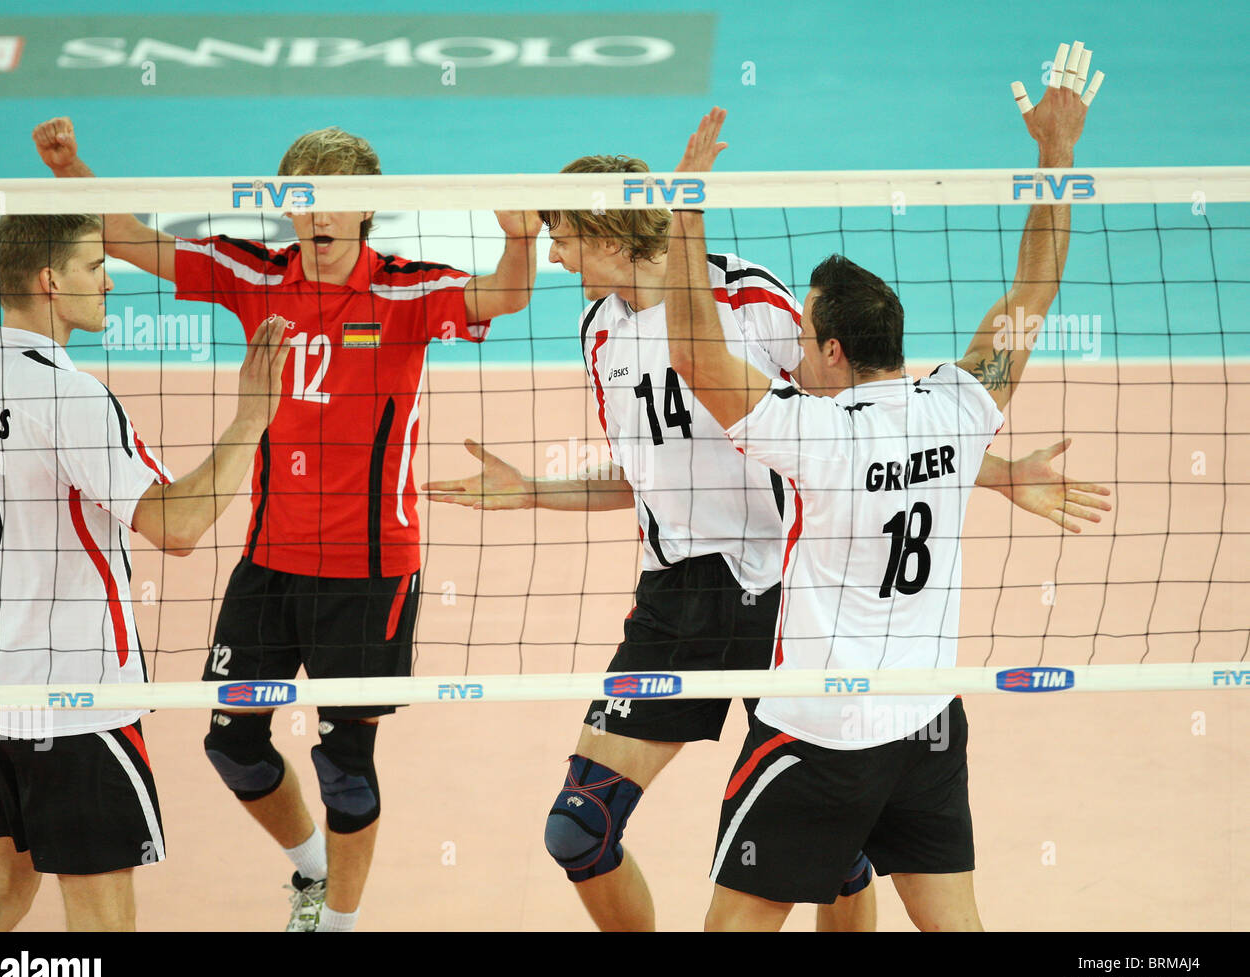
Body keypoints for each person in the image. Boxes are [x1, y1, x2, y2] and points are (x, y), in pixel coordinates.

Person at [422, 127, 1109, 929]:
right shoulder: (598, 331)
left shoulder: (750, 302)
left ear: (608, 234)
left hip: (790, 593)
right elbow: (850, 433)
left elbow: (842, 426)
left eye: (564, 237)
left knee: (840, 852)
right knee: (579, 828)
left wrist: (985, 473)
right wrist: (534, 491)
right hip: (680, 600)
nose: (555, 257)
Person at [33, 117, 540, 931]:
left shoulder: (405, 289)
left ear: (368, 210)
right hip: (269, 562)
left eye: (337, 204)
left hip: (372, 568)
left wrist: (519, 243)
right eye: (306, 204)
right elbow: (128, 238)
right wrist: (73, 169)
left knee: (345, 766)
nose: (321, 218)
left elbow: (507, 296)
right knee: (231, 743)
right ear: (289, 211)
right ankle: (312, 869)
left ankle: (337, 921)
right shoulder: (253, 271)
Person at [662, 48, 1101, 931]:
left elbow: (697, 359)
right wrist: (1057, 158)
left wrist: (683, 212)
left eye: (803, 337)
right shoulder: (957, 406)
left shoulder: (816, 432)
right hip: (928, 724)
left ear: (832, 353)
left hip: (819, 736)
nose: (789, 353)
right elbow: (1033, 293)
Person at [0, 213, 289, 931]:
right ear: (50, 281)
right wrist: (250, 421)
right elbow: (178, 524)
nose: (110, 279)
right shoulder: (71, 397)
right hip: (74, 703)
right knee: (102, 926)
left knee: (1, 890)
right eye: (94, 264)